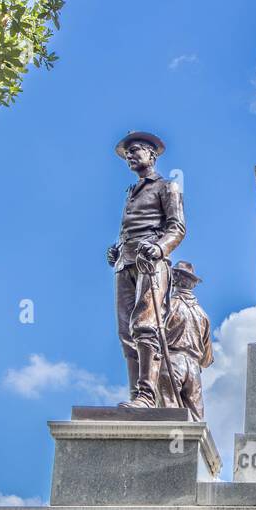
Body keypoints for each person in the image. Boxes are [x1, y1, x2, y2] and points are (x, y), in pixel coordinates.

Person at [107, 132, 186, 408]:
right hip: (125, 263)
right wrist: (117, 249)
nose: (130, 155)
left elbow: (177, 228)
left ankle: (147, 396)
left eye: (136, 149)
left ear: (152, 155)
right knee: (126, 333)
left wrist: (160, 248)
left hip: (151, 263)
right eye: (128, 152)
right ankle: (136, 396)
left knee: (145, 326)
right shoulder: (131, 192)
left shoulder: (168, 187)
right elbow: (129, 228)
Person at [158, 262, 214, 419]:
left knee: (170, 417)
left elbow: (151, 338)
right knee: (195, 421)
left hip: (171, 362)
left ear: (174, 279)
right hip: (194, 369)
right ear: (193, 284)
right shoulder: (203, 315)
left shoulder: (166, 306)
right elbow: (207, 359)